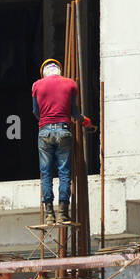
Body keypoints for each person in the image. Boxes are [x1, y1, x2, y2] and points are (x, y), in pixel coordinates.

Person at [31, 59, 92, 225]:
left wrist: (46, 121)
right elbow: (75, 112)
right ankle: (63, 213)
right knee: (64, 172)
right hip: (64, 130)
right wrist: (84, 120)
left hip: (44, 131)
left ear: (44, 72)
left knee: (46, 173)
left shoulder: (36, 85)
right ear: (59, 70)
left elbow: (36, 111)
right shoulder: (70, 84)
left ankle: (49, 214)